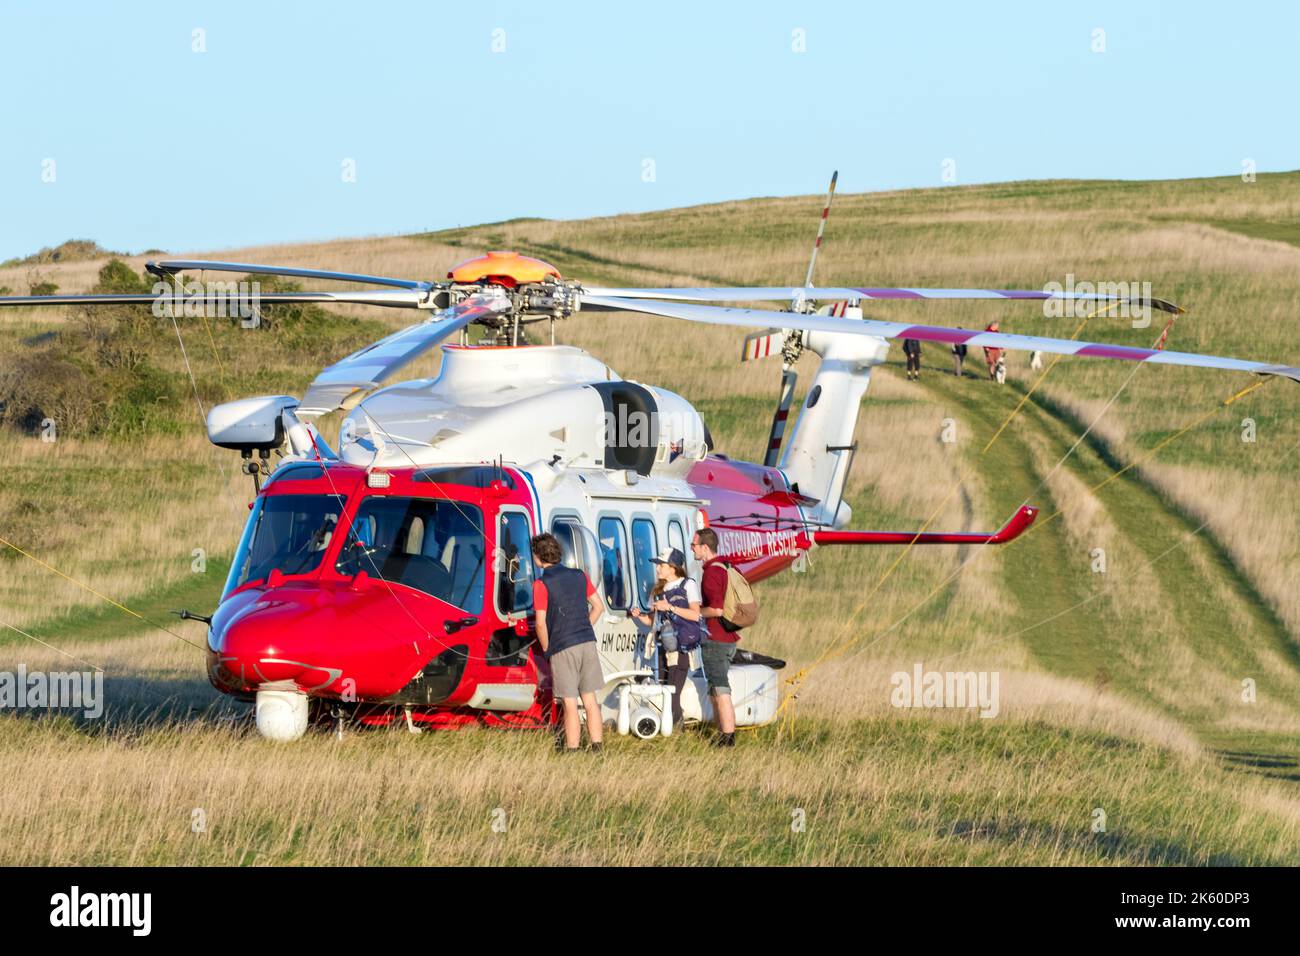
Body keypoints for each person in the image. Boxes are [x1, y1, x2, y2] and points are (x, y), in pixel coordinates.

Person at [530, 533, 606, 753]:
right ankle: (597, 748)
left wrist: (547, 649)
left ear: (537, 557)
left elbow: (541, 624)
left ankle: (572, 750)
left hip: (563, 646)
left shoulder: (541, 584)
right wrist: (583, 626)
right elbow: (598, 606)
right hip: (587, 642)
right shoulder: (580, 575)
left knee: (569, 703)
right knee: (590, 699)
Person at [629, 547, 704, 728]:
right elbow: (652, 621)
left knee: (672, 692)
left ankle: (677, 731)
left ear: (673, 567)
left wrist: (670, 607)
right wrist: (639, 616)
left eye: (661, 565)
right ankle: (672, 729)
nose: (657, 569)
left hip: (680, 649)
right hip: (662, 647)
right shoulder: (658, 591)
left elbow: (696, 615)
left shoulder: (688, 585)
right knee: (664, 690)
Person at [690, 527, 738, 747]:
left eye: (694, 545)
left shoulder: (710, 572)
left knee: (720, 687)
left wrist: (696, 612)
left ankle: (727, 738)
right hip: (729, 636)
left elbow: (717, 609)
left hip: (716, 638)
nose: (692, 548)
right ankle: (722, 735)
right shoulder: (726, 566)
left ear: (705, 547)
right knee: (715, 688)